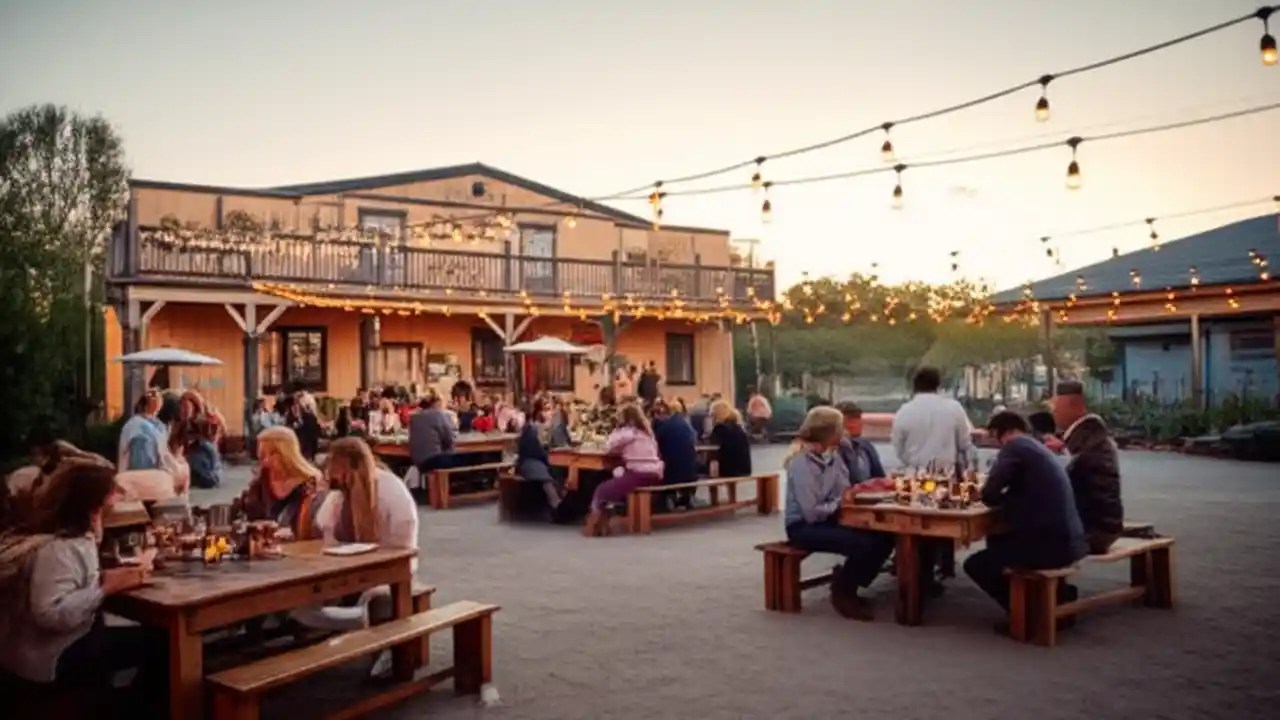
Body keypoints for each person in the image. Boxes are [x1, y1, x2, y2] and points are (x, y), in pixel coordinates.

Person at [0, 461, 167, 717]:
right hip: (48, 658)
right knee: (161, 643)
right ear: (93, 503)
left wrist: (105, 579)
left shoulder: (72, 539)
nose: (117, 499)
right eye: (112, 493)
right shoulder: (61, 548)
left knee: (153, 638)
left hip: (61, 645)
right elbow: (48, 613)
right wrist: (105, 588)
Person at [963, 412, 1087, 616]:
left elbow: (990, 492)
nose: (996, 445)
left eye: (994, 437)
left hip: (1050, 545)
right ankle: (1058, 596)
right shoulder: (1037, 447)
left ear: (1001, 432)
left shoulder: (1015, 446)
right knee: (997, 542)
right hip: (1070, 541)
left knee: (977, 564)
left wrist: (990, 495)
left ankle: (1027, 613)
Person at [784, 406, 895, 620]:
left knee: (884, 535)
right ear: (829, 431)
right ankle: (844, 591)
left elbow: (845, 489)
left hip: (831, 516)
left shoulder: (832, 456)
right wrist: (840, 502)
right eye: (840, 427)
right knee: (863, 543)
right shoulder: (801, 463)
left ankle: (848, 581)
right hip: (803, 526)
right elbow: (811, 512)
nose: (844, 432)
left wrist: (846, 499)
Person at [1052, 381, 1123, 554]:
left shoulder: (1082, 440)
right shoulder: (1093, 434)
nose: (1053, 414)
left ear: (1072, 405)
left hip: (1092, 531)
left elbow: (1059, 480)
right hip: (1108, 526)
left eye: (1055, 408)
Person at [584, 404, 663, 536]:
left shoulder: (627, 433)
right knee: (617, 479)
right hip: (655, 474)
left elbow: (609, 445)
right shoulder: (647, 433)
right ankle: (605, 519)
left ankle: (595, 524)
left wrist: (616, 431)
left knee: (602, 490)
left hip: (639, 474)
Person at [240, 426, 322, 538]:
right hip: (265, 545)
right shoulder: (260, 483)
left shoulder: (311, 484)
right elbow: (247, 515)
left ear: (287, 453)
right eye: (262, 455)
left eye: (272, 454)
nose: (266, 460)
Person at [890, 367, 973, 470]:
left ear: (914, 387)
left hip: (914, 476)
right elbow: (965, 443)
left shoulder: (903, 412)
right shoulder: (954, 408)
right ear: (938, 385)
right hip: (947, 475)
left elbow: (898, 448)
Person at [516, 400, 563, 513]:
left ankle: (563, 503)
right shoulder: (531, 429)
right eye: (546, 409)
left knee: (561, 470)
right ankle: (556, 505)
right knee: (543, 472)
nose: (550, 413)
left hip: (546, 460)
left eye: (551, 409)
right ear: (539, 412)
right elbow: (533, 451)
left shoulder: (552, 428)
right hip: (530, 462)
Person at [652, 400, 698, 508]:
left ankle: (663, 501)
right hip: (690, 472)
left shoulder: (665, 426)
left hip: (672, 473)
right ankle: (685, 497)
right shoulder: (684, 424)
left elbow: (654, 443)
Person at [836, 401, 886, 483]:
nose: (855, 424)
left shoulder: (866, 446)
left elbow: (880, 478)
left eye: (857, 419)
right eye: (850, 420)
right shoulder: (835, 451)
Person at [409, 392, 457, 475]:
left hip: (418, 462)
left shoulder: (414, 417)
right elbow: (449, 438)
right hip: (434, 460)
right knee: (467, 459)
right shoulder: (438, 414)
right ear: (438, 403)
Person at [708, 399, 752, 479]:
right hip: (744, 469)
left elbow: (713, 448)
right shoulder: (739, 427)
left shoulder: (719, 428)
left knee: (708, 466)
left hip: (728, 469)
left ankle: (713, 490)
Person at [291, 392, 322, 461]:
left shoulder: (309, 419)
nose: (294, 406)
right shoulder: (297, 419)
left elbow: (309, 439)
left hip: (305, 455)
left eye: (297, 403)